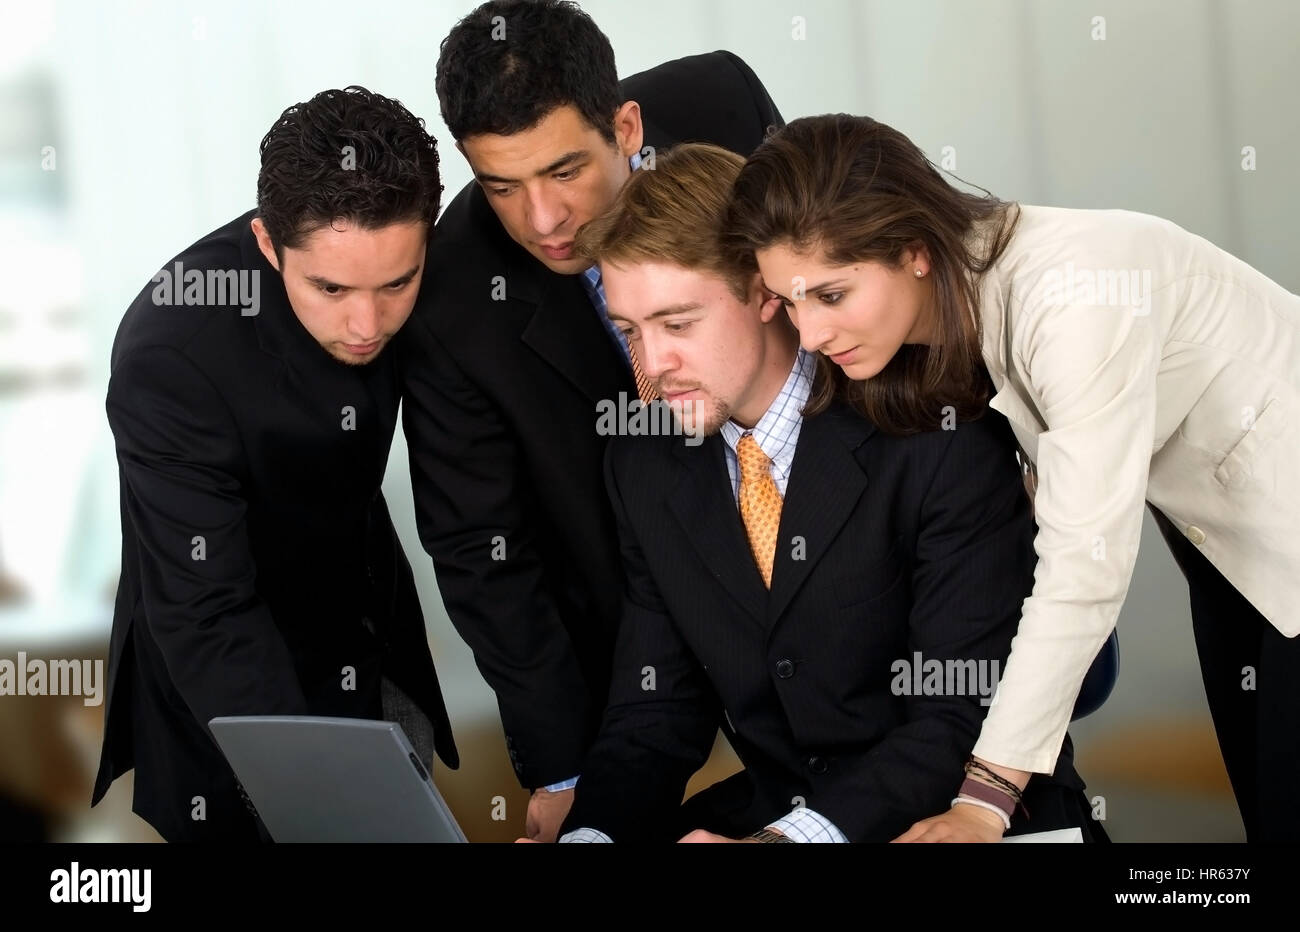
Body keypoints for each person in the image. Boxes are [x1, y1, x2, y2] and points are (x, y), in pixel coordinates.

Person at [724, 113, 1300, 842]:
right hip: (1225, 537)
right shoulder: (959, 306)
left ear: (914, 251)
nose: (809, 335)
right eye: (790, 301)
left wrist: (984, 799)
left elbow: (1082, 571)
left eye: (832, 295)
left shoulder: (1073, 300)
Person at [537, 143, 1102, 843]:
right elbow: (653, 714)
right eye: (629, 331)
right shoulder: (647, 464)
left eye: (678, 324)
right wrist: (590, 839)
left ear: (766, 290)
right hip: (778, 812)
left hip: (965, 818)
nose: (651, 366)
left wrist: (789, 842)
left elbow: (959, 713)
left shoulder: (935, 425)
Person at [400, 0, 781, 841]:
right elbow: (480, 549)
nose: (543, 219)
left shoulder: (726, 108)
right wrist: (565, 766)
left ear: (627, 124)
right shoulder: (455, 298)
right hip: (633, 618)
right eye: (502, 185)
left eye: (565, 171)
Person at [92, 87, 458, 841]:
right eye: (329, 288)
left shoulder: (426, 263)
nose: (368, 325)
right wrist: (320, 792)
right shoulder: (170, 355)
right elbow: (205, 611)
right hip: (224, 682)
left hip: (367, 636)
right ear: (267, 244)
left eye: (397, 285)